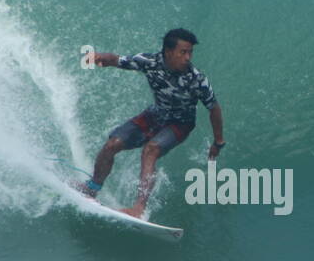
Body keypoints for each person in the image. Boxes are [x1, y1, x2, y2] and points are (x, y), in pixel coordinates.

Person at [81, 28, 225, 218]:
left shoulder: (196, 79)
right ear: (168, 51)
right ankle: (91, 189)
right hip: (155, 115)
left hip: (180, 124)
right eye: (183, 52)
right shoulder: (149, 62)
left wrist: (218, 142)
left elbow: (214, 108)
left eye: (190, 52)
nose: (188, 57)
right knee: (111, 145)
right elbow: (117, 60)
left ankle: (139, 208)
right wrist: (99, 57)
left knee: (151, 150)